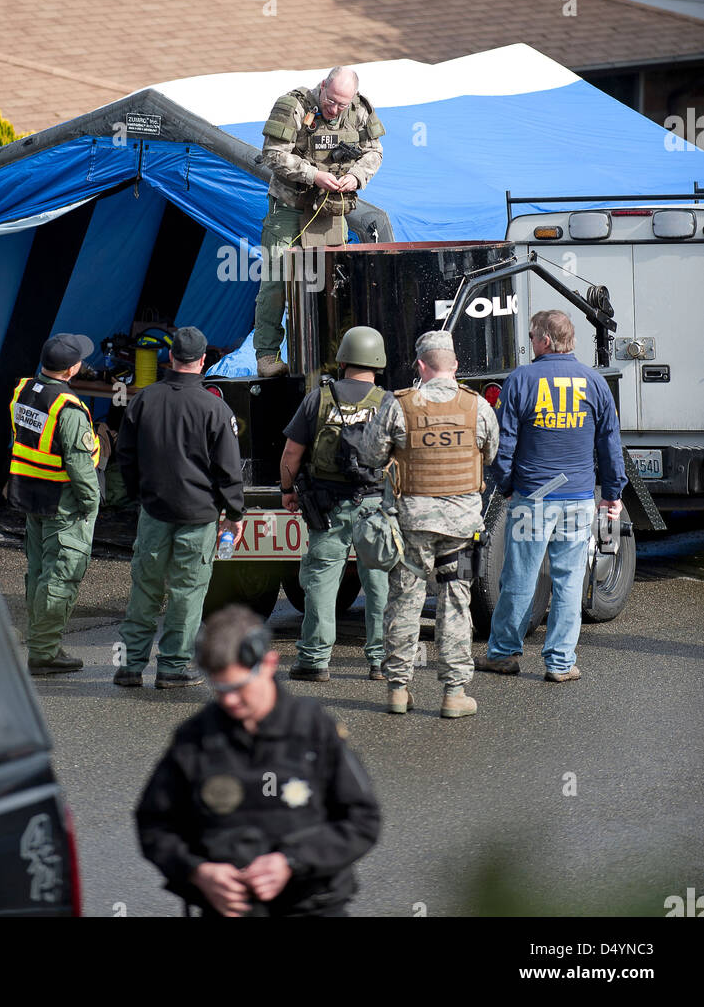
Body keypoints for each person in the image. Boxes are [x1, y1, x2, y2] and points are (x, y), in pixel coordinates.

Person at [135, 604, 381, 917]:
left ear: (269, 663)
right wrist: (197, 871)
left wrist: (291, 861)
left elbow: (362, 820)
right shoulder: (194, 738)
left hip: (312, 906)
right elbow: (154, 824)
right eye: (219, 688)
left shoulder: (315, 730)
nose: (229, 700)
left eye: (238, 687)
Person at [475, 309, 627, 683]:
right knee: (570, 580)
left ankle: (504, 653)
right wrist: (613, 493)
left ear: (544, 339)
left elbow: (502, 443)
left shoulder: (522, 379)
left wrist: (507, 486)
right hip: (577, 498)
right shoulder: (594, 382)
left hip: (534, 496)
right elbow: (609, 443)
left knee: (520, 578)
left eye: (531, 337)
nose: (530, 343)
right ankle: (560, 662)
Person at [359, 330, 499, 718]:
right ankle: (455, 694)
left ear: (421, 365)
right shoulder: (477, 407)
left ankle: (398, 690)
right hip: (463, 528)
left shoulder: (398, 404)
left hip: (411, 526)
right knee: (457, 601)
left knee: (404, 600)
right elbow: (491, 454)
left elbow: (371, 455)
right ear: (454, 365)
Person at [113, 326, 245, 690]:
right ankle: (172, 667)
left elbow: (125, 457)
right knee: (187, 593)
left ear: (170, 357)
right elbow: (228, 470)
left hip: (154, 513)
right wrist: (233, 514)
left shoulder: (143, 399)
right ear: (204, 360)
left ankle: (130, 666)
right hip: (198, 517)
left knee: (145, 590)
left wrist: (141, 494)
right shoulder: (215, 408)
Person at [254, 66, 384, 378]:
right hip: (289, 209)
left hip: (331, 212)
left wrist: (355, 176)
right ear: (323, 86)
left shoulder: (359, 111)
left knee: (333, 282)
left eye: (342, 104)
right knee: (275, 282)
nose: (335, 109)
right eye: (331, 101)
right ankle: (267, 355)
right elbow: (272, 154)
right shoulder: (293, 106)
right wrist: (314, 175)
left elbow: (375, 152)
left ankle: (334, 354)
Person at [279, 326, 393, 682]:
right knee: (379, 584)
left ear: (342, 359)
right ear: (379, 361)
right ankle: (380, 661)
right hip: (375, 506)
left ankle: (314, 660)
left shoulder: (318, 399)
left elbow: (291, 454)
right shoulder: (388, 402)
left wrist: (287, 491)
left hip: (327, 508)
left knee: (322, 583)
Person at [5, 332, 101, 677]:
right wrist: (92, 503)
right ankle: (44, 652)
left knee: (41, 572)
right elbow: (79, 465)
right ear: (73, 369)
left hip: (32, 494)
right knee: (60, 575)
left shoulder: (24, 390)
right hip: (63, 503)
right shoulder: (69, 408)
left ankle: (42, 645)